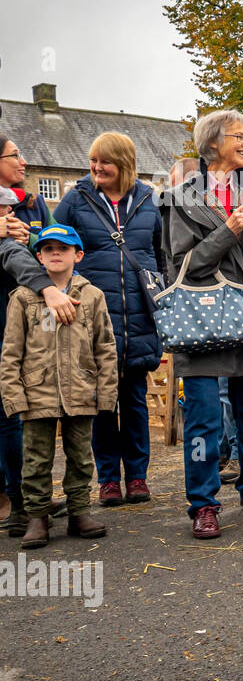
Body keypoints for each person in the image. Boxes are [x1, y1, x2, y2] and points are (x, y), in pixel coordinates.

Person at [160, 110, 243, 540]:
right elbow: (184, 267)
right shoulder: (180, 201)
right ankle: (204, 504)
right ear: (212, 143)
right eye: (239, 136)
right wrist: (230, 230)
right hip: (201, 323)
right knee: (204, 423)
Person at [54, 132, 163, 506]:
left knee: (134, 399)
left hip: (137, 319)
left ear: (125, 165)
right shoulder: (75, 199)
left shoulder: (149, 201)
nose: (97, 168)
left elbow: (159, 255)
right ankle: (108, 479)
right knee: (102, 403)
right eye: (93, 161)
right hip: (93, 319)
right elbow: (52, 244)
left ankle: (137, 476)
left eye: (105, 162)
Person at [1, 225, 117, 548]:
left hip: (81, 391)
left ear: (78, 255)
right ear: (37, 255)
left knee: (81, 456)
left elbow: (105, 348)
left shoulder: (92, 296)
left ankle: (80, 511)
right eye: (48, 248)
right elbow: (10, 352)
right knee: (36, 459)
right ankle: (37, 517)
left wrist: (106, 394)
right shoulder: (23, 298)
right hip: (36, 394)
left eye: (63, 248)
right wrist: (13, 397)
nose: (55, 252)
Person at [0, 134, 78, 536]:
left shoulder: (29, 203)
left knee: (14, 416)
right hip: (14, 314)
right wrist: (47, 288)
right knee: (11, 415)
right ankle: (21, 503)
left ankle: (25, 501)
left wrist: (26, 238)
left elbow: (47, 243)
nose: (25, 161)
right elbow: (11, 256)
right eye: (15, 155)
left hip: (18, 314)